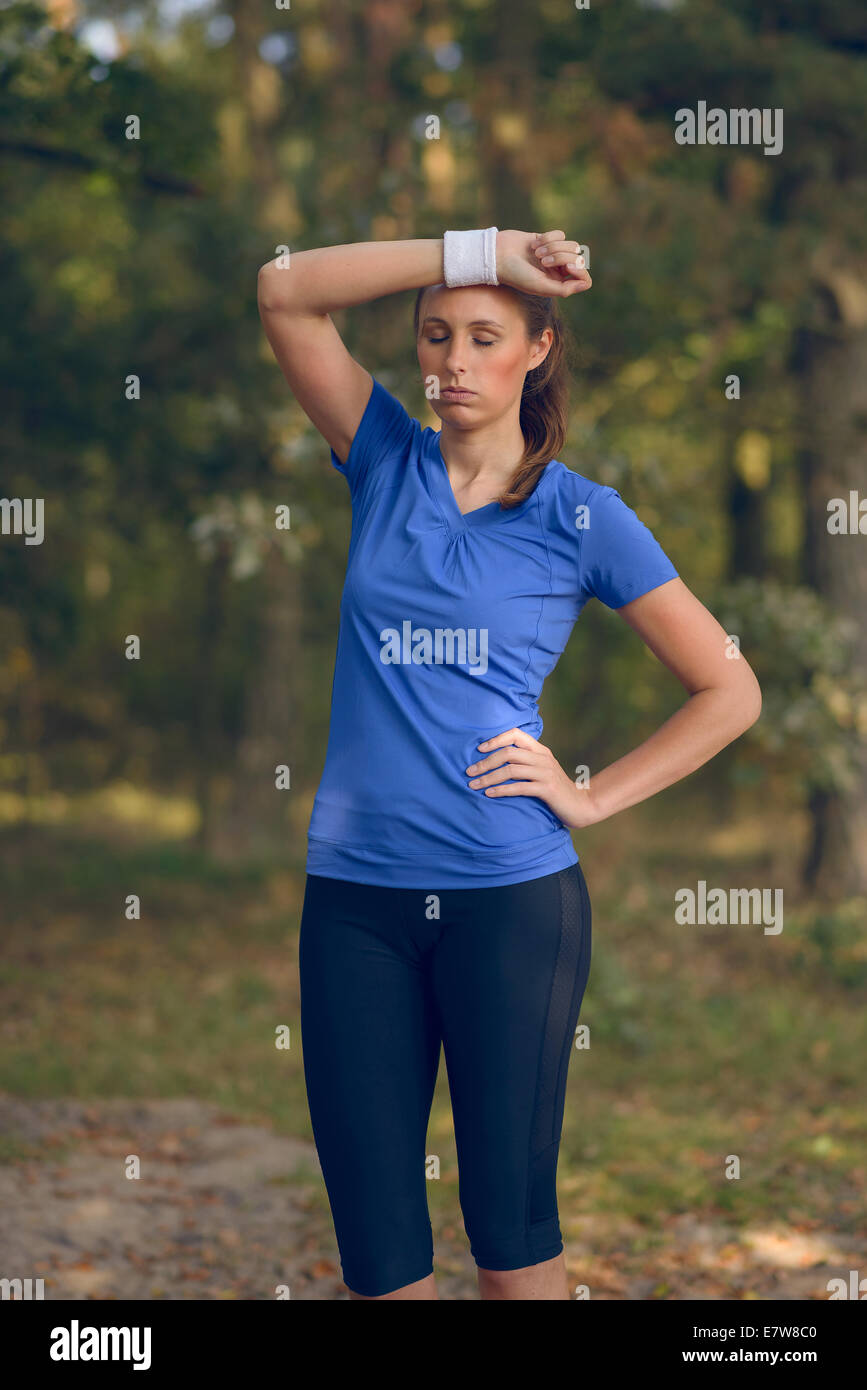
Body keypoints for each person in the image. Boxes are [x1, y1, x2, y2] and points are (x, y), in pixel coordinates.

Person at [257, 228, 762, 1300]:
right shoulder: (383, 456)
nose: (451, 361)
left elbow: (730, 688)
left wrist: (588, 795)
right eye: (434, 335)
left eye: (484, 336)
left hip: (510, 902)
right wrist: (478, 244)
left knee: (512, 1239)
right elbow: (286, 292)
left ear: (538, 347)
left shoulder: (582, 514)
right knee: (382, 1254)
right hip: (354, 904)